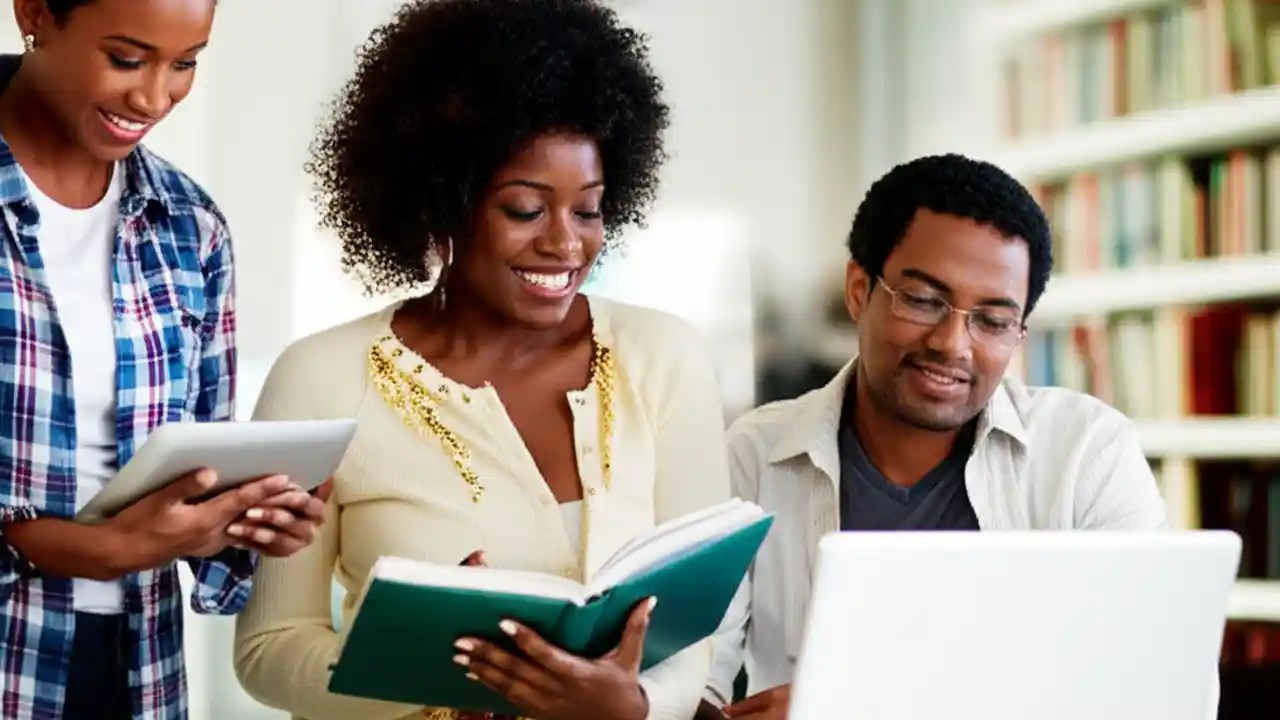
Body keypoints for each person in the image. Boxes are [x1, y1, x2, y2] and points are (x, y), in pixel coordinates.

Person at [232, 1, 730, 718]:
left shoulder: (664, 356)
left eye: (587, 209)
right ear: (443, 203)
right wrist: (433, 668)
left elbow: (702, 617)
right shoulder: (321, 379)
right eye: (525, 210)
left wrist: (637, 706)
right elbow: (268, 648)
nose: (565, 244)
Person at [698, 153, 1169, 720]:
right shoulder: (754, 457)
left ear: (1019, 331)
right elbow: (691, 678)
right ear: (858, 290)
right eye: (923, 301)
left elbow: (1155, 690)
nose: (953, 344)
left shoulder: (1087, 454)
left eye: (992, 321)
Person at [0, 1, 330, 718]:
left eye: (184, 64)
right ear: (35, 13)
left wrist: (242, 517)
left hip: (138, 670)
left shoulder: (191, 226)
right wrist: (94, 550)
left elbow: (199, 455)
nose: (154, 99)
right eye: (126, 59)